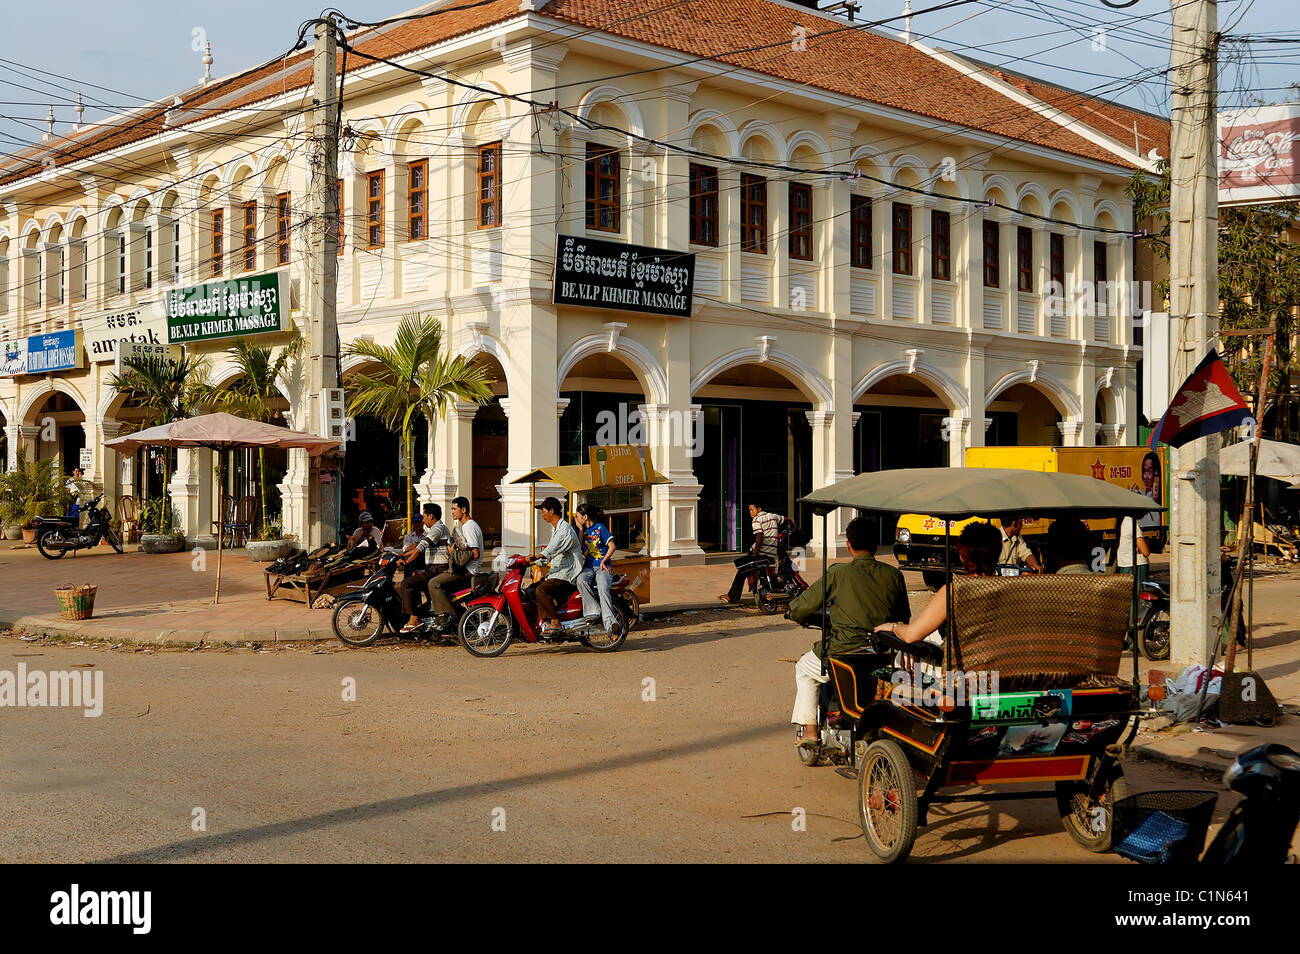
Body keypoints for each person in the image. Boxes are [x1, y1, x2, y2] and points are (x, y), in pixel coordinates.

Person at [788, 516, 911, 749]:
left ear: (848, 545)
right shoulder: (894, 575)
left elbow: (803, 604)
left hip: (844, 653)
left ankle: (811, 732)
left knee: (804, 668)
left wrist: (792, 612)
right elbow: (904, 618)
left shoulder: (839, 573)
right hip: (883, 653)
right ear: (876, 545)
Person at [874, 520, 1002, 645]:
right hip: (1007, 663)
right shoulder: (1015, 588)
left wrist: (893, 627)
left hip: (962, 665)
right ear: (998, 553)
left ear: (961, 556)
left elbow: (911, 635)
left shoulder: (953, 592)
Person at [397, 503, 452, 632]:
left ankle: (414, 618)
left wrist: (405, 562)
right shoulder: (437, 528)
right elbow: (417, 548)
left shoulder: (437, 529)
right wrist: (402, 555)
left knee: (406, 584)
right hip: (433, 569)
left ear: (430, 516)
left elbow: (419, 549)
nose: (423, 520)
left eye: (424, 516)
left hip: (438, 569)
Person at [533, 496, 582, 637]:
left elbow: (551, 550)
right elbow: (550, 553)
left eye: (544, 512)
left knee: (541, 591)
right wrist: (533, 562)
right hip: (557, 572)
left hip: (566, 574)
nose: (542, 515)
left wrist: (533, 558)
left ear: (551, 511)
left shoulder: (564, 530)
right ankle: (544, 620)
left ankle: (555, 621)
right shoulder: (556, 529)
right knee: (530, 590)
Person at [427, 497, 483, 618]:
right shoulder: (467, 525)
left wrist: (453, 552)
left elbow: (475, 553)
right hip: (465, 568)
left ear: (463, 509)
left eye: (454, 509)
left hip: (468, 570)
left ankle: (448, 616)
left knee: (433, 583)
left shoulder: (469, 527)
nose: (452, 512)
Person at [718, 502, 783, 605]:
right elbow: (786, 520)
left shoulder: (757, 520)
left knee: (741, 569)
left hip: (760, 554)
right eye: (749, 510)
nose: (751, 512)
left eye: (752, 509)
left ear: (759, 509)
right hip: (771, 555)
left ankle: (732, 596)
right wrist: (793, 526)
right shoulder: (773, 516)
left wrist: (755, 553)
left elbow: (759, 536)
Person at [575, 502, 618, 635]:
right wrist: (580, 530)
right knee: (580, 580)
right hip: (588, 567)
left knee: (603, 589)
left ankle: (611, 625)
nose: (576, 518)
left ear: (585, 516)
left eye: (578, 516)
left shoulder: (601, 528)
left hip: (601, 567)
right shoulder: (583, 530)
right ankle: (593, 611)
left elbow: (612, 546)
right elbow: (580, 546)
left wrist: (604, 561)